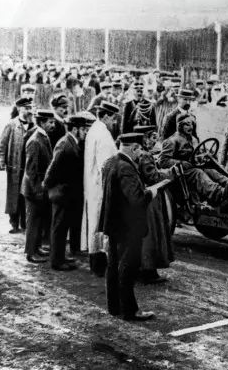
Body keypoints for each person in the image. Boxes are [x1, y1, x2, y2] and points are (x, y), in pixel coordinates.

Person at [97, 133, 158, 321]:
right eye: (139, 150)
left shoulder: (110, 163)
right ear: (133, 148)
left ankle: (114, 306)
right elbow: (137, 199)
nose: (140, 154)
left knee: (113, 266)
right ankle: (130, 310)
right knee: (128, 267)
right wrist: (150, 193)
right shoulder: (126, 168)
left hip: (113, 225)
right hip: (128, 227)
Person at [43, 114, 92, 271]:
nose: (85, 132)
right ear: (75, 129)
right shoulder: (65, 144)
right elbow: (52, 169)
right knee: (59, 228)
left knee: (63, 227)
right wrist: (48, 187)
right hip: (61, 193)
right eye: (84, 129)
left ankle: (62, 256)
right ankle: (56, 261)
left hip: (67, 193)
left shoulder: (73, 142)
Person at [159, 114, 228, 207]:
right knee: (198, 173)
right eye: (187, 124)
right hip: (181, 172)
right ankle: (218, 193)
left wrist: (207, 154)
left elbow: (199, 151)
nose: (190, 127)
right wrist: (181, 163)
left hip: (194, 166)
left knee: (209, 169)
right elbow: (163, 161)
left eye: (191, 124)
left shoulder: (193, 139)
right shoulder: (172, 141)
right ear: (180, 125)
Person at [133, 125, 175, 284]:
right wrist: (169, 173)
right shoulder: (146, 156)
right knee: (152, 236)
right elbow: (153, 177)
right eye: (152, 137)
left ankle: (142, 269)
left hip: (142, 199)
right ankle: (149, 272)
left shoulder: (139, 155)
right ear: (145, 138)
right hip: (151, 201)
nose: (155, 140)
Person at [82, 101, 119, 276]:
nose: (115, 122)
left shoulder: (95, 130)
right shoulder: (103, 134)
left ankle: (96, 262)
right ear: (105, 116)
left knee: (95, 224)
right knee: (99, 225)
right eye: (113, 118)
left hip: (93, 184)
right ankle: (99, 265)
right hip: (100, 186)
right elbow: (106, 166)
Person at [21, 110, 56, 264]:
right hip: (33, 190)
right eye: (50, 122)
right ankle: (30, 252)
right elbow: (30, 170)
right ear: (41, 123)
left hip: (39, 188)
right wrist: (38, 189)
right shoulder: (35, 140)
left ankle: (37, 247)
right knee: (33, 221)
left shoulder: (42, 136)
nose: (53, 125)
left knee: (39, 220)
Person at [0, 98, 35, 234]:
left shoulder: (34, 125)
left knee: (27, 193)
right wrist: (1, 160)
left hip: (29, 166)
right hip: (15, 166)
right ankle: (14, 223)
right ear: (19, 109)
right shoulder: (12, 125)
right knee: (14, 194)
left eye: (30, 107)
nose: (28, 110)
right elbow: (2, 144)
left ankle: (25, 222)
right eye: (26, 108)